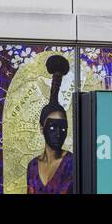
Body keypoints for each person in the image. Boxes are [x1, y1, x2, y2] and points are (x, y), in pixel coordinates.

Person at [26, 55, 75, 194]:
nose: (59, 133)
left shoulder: (72, 162)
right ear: (42, 128)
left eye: (63, 127)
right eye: (52, 127)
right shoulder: (33, 166)